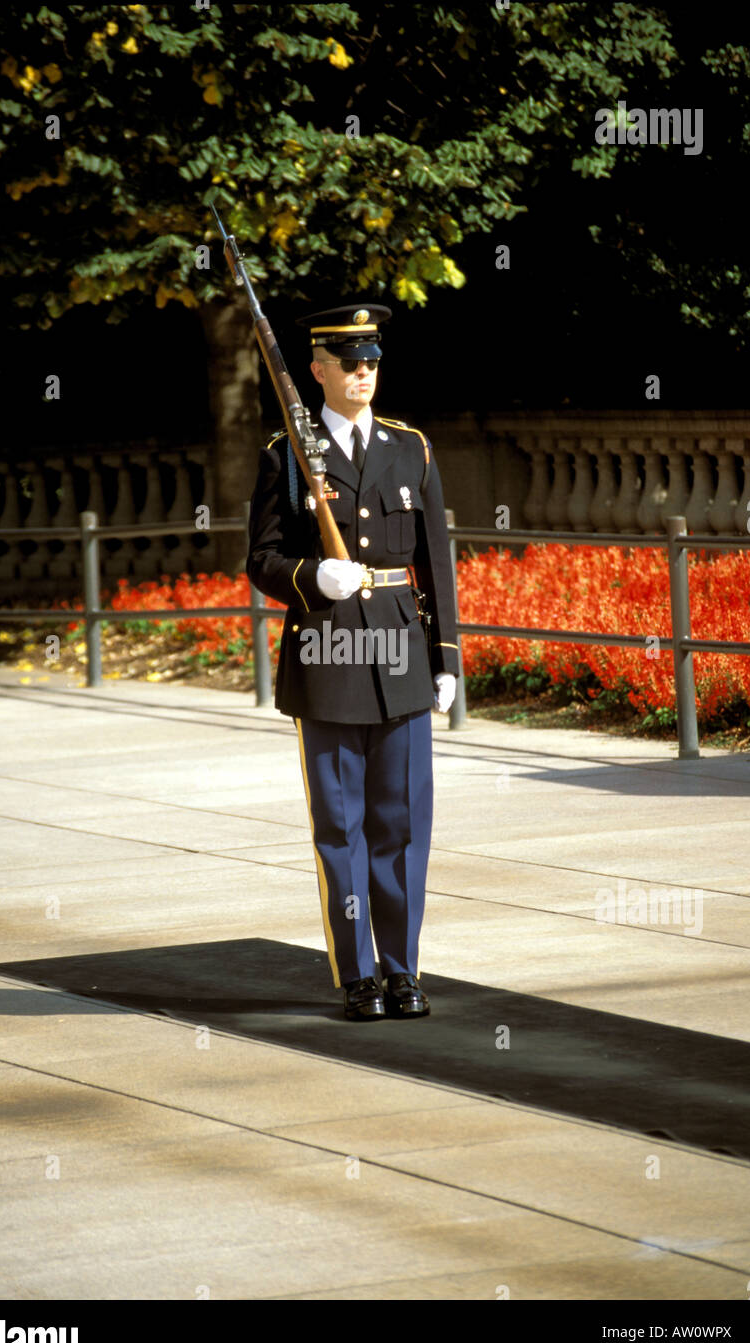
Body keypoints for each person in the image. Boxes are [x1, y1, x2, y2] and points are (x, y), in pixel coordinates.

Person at [246, 303, 459, 1021]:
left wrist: (447, 656)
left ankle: (403, 970)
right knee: (340, 826)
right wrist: (311, 578)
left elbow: (436, 562)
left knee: (401, 825)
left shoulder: (410, 448)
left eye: (372, 361)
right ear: (317, 370)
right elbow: (262, 558)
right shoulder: (285, 454)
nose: (364, 373)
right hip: (328, 653)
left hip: (400, 652)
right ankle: (357, 973)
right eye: (349, 363)